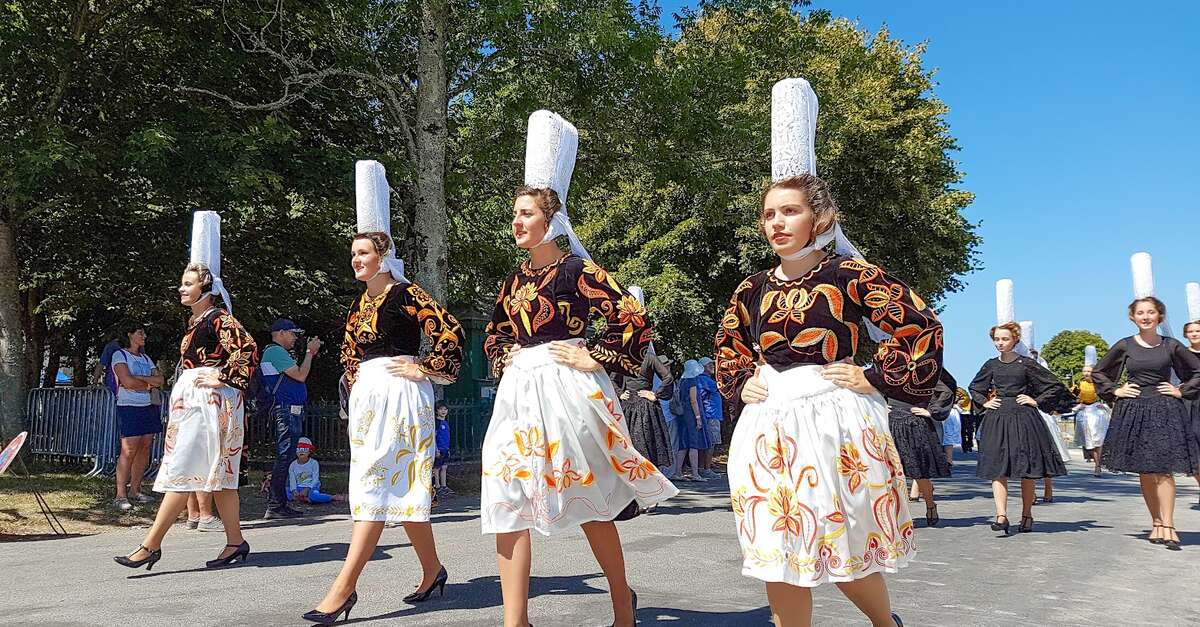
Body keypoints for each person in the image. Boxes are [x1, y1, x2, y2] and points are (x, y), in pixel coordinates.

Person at [715, 78, 939, 627]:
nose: (776, 223)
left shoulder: (848, 274)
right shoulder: (751, 287)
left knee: (838, 537)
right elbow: (727, 342)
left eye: (788, 212)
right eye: (769, 214)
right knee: (778, 546)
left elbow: (919, 323)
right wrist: (741, 379)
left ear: (819, 218)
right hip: (768, 422)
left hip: (834, 418)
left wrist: (877, 378)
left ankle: (886, 624)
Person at [480, 111, 677, 627]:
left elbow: (632, 318)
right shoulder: (511, 279)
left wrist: (597, 355)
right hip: (519, 393)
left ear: (550, 219)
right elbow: (495, 331)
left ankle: (621, 606)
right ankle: (514, 621)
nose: (517, 222)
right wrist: (507, 361)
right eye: (515, 214)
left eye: (526, 214)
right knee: (507, 497)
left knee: (589, 501)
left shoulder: (576, 269)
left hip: (569, 391)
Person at [304, 161, 465, 624]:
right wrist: (354, 386)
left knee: (376, 483)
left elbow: (450, 331)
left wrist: (428, 368)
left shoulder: (407, 293)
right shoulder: (359, 303)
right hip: (371, 398)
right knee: (400, 486)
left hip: (401, 394)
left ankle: (344, 587)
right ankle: (433, 571)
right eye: (353, 254)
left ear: (383, 255)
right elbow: (350, 353)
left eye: (363, 254)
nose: (356, 260)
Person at [114, 211, 258, 571]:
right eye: (182, 283)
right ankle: (235, 542)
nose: (181, 288)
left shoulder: (218, 318)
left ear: (205, 290)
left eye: (188, 284)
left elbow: (248, 349)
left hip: (210, 403)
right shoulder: (199, 321)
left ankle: (151, 544)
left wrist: (222, 375)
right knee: (219, 475)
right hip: (199, 401)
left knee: (184, 467)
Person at [1091, 297, 1200, 550]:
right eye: (1140, 312)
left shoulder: (1171, 345)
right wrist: (1115, 390)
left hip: (1165, 409)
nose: (1146, 316)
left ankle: (1170, 525)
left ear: (1159, 316)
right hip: (1134, 410)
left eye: (1151, 312)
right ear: (1132, 317)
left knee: (1164, 470)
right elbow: (1099, 372)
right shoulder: (1125, 345)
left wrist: (1181, 390)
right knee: (1146, 470)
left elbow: (1197, 371)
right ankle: (1156, 522)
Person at [969, 322, 1073, 535]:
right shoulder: (990, 365)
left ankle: (1027, 514)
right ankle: (1001, 515)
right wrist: (984, 402)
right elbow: (975, 387)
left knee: (1026, 469)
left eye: (1005, 339)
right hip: (997, 419)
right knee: (997, 469)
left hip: (1024, 419)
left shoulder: (1026, 364)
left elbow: (1053, 385)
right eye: (997, 339)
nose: (1000, 343)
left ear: (1015, 340)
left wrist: (1035, 400)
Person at [261, 318, 323, 519]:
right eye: (292, 333)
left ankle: (279, 503)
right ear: (280, 333)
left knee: (286, 456)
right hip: (286, 411)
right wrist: (310, 352)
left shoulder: (276, 353)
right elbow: (300, 374)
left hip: (287, 410)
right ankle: (276, 504)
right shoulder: (275, 352)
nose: (295, 338)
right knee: (285, 456)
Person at [888, 370, 957, 527]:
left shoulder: (924, 365)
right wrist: (882, 406)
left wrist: (932, 411)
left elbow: (947, 389)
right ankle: (896, 514)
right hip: (889, 422)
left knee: (918, 471)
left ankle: (930, 504)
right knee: (889, 472)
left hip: (915, 422)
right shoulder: (887, 365)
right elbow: (874, 388)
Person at [110, 323, 165, 511]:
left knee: (145, 447)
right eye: (140, 332)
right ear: (129, 334)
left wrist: (141, 382)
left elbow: (159, 380)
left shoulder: (146, 357)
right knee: (129, 449)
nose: (144, 336)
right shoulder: (120, 355)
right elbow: (127, 381)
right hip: (129, 406)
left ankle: (136, 489)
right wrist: (148, 383)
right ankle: (120, 495)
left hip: (148, 406)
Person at [670, 360, 713, 481]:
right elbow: (693, 400)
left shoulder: (682, 380)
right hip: (691, 416)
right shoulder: (692, 381)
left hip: (682, 415)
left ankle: (678, 472)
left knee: (683, 444)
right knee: (693, 444)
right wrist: (698, 417)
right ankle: (695, 474)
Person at [1074, 358, 1111, 477]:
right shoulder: (1079, 384)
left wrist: (1104, 403)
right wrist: (1078, 403)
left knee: (1098, 439)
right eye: (1084, 371)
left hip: (1097, 412)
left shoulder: (1099, 384)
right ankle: (1095, 460)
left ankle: (1098, 465)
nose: (1086, 373)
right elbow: (1071, 398)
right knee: (1089, 441)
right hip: (1084, 411)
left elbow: (1109, 395)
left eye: (1088, 371)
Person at [697, 356, 724, 479]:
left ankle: (703, 468)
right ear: (702, 368)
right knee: (710, 443)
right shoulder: (704, 380)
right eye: (709, 365)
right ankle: (706, 469)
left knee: (707, 443)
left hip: (710, 414)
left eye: (712, 364)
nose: (712, 366)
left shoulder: (704, 379)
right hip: (710, 415)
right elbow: (722, 386)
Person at [288, 438, 336, 504]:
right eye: (298, 449)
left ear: (309, 451)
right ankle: (301, 498)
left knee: (314, 496)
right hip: (298, 487)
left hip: (312, 486)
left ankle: (332, 497)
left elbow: (315, 479)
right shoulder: (292, 465)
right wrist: (294, 490)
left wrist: (308, 489)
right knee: (282, 491)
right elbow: (292, 479)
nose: (301, 451)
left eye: (305, 449)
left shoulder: (314, 463)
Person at [433, 401, 453, 496]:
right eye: (441, 409)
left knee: (444, 467)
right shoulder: (436, 423)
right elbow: (434, 436)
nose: (443, 411)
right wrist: (436, 449)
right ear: (437, 410)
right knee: (437, 468)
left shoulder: (446, 422)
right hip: (439, 448)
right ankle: (437, 486)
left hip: (445, 448)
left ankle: (444, 486)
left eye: (445, 409)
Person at [956, 388, 976, 453]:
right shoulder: (957, 400)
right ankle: (964, 447)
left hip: (969, 415)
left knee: (970, 432)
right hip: (961, 415)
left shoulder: (968, 400)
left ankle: (969, 445)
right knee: (963, 432)